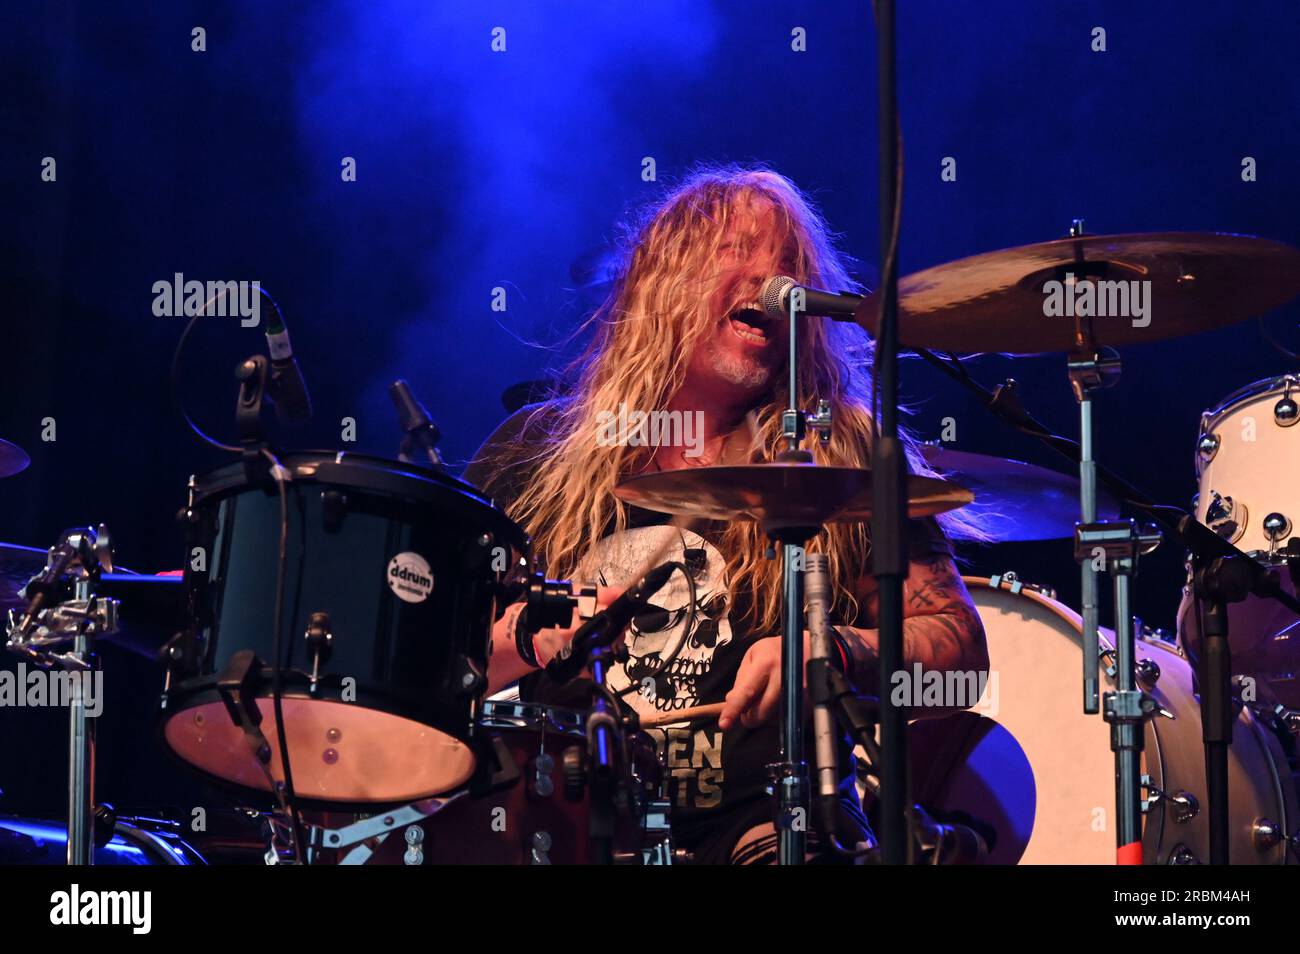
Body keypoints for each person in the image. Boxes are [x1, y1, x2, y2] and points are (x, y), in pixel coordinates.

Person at [463, 165, 987, 864]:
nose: (771, 278)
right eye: (735, 249)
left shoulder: (844, 453)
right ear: (661, 284)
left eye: (790, 265)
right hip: (555, 827)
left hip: (764, 830)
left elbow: (962, 656)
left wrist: (830, 653)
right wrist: (527, 640)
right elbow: (428, 675)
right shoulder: (535, 454)